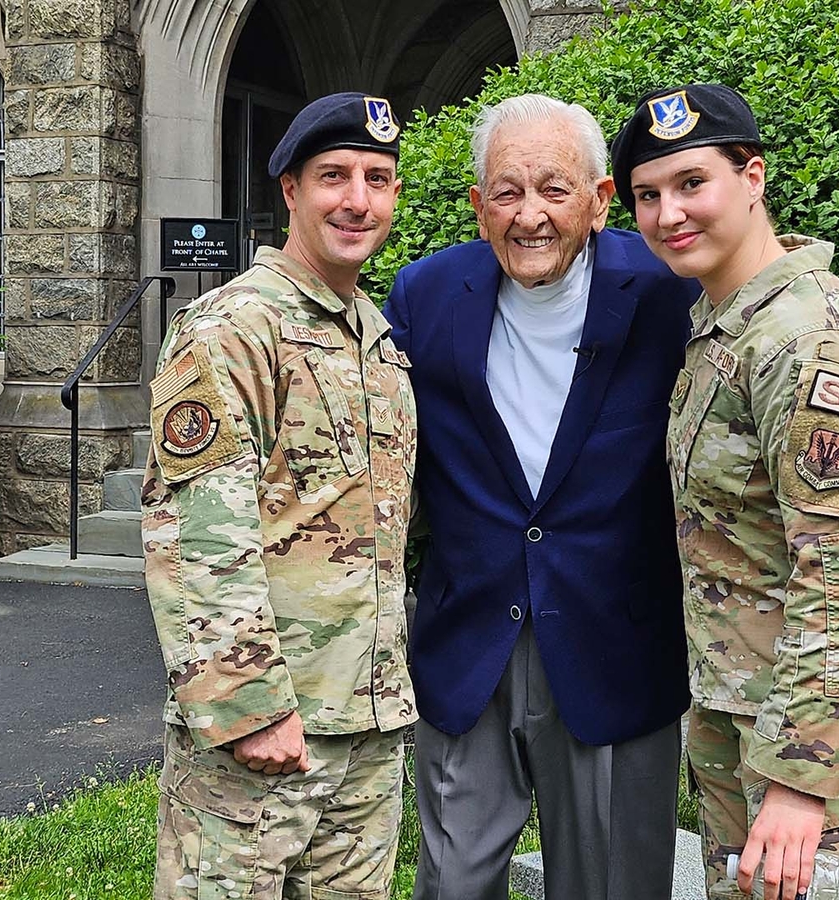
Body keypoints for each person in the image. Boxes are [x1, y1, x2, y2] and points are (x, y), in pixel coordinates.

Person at [613, 83, 839, 900]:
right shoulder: (729, 323)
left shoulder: (808, 342)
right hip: (754, 706)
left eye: (692, 183)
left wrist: (804, 782)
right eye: (648, 195)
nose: (669, 214)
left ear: (754, 177)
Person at [383, 93, 695, 900]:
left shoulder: (670, 292)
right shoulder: (424, 295)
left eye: (554, 190)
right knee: (451, 884)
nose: (530, 215)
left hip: (615, 647)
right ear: (479, 207)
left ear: (598, 201)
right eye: (508, 192)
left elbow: (753, 425)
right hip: (468, 647)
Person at [142, 92, 417, 900]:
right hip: (264, 731)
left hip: (367, 724)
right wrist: (249, 704)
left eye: (378, 177)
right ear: (291, 191)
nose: (357, 199)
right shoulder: (232, 327)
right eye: (334, 176)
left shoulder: (374, 338)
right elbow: (196, 536)